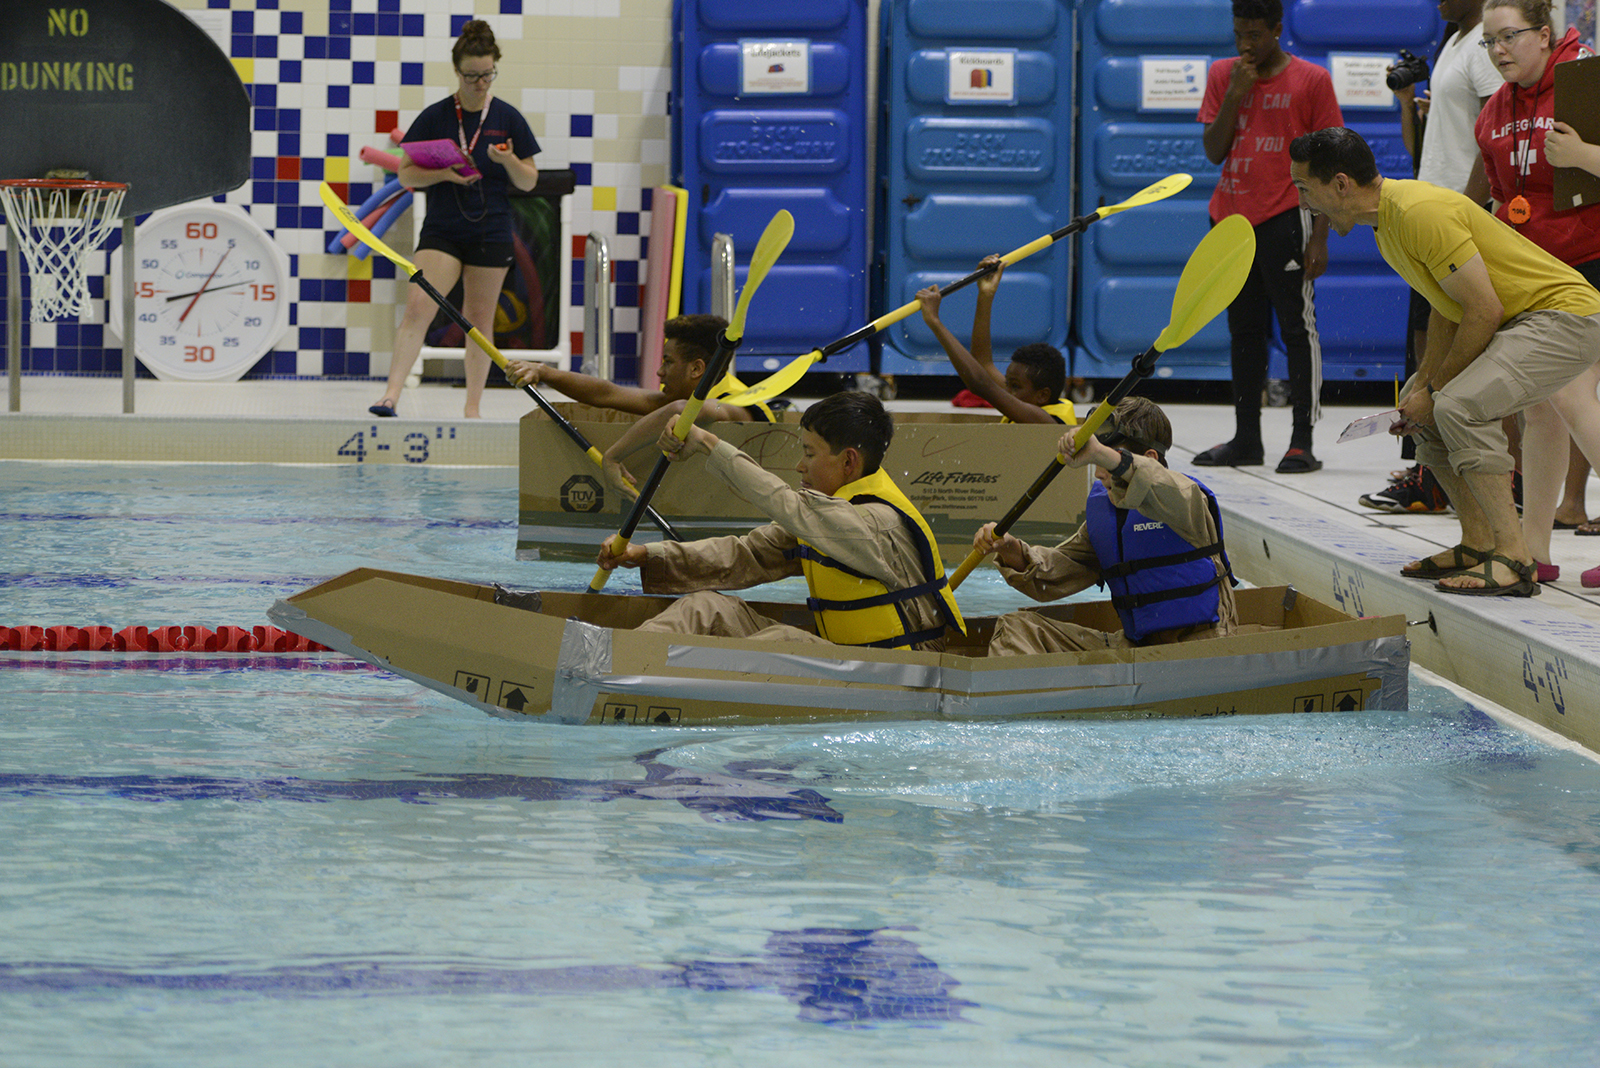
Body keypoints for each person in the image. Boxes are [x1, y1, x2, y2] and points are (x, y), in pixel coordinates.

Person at [1288, 126, 1600, 596]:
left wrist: (1436, 393)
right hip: (1523, 320)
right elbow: (1447, 308)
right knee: (1422, 407)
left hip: (1566, 316)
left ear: (1340, 184)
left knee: (1457, 405)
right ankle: (1477, 543)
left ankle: (1515, 558)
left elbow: (1483, 310)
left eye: (1304, 188)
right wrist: (1424, 385)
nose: (1303, 202)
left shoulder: (1417, 212)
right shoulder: (1387, 227)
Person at [596, 390, 966, 652]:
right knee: (705, 607)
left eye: (809, 453)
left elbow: (786, 505)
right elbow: (747, 555)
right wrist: (645, 554)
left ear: (849, 462)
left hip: (898, 670)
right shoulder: (824, 516)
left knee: (784, 643)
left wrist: (709, 443)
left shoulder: (874, 523)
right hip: (844, 660)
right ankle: (614, 661)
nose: (799, 466)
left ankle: (668, 685)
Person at [1473, 0, 1600, 584]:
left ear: (1544, 34)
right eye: (1489, 41)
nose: (1499, 50)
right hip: (1536, 274)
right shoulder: (1494, 111)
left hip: (1591, 264)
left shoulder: (1587, 79)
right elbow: (1502, 200)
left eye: (1509, 37)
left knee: (1573, 395)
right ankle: (1535, 548)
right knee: (1540, 411)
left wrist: (1586, 158)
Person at [1359, 0, 1502, 514]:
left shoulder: (1487, 42)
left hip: (1455, 220)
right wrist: (1407, 103)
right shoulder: (1454, 40)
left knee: (1448, 348)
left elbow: (1493, 140)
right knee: (1423, 349)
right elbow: (1426, 150)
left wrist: (1467, 212)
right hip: (1436, 210)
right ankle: (1429, 469)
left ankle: (1441, 473)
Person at [1193, 0, 1344, 474]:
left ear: (1278, 30)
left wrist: (1320, 235)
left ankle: (1303, 441)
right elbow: (1214, 151)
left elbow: (1330, 161)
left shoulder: (1311, 80)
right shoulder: (1224, 74)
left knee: (1297, 328)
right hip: (1231, 221)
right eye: (1239, 33)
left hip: (1286, 216)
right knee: (1244, 331)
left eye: (1255, 35)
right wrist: (1236, 94)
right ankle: (1247, 438)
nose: (1246, 44)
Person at [971, 397, 1237, 655]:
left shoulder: (1188, 502)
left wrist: (1104, 454)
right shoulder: (1108, 516)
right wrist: (1009, 548)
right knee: (1015, 629)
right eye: (1095, 461)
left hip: (1202, 650)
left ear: (1150, 457)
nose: (1098, 473)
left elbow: (1159, 483)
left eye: (1105, 460)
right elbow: (1053, 574)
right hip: (1137, 650)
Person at [370, 20, 540, 419]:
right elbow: (406, 173)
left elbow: (529, 181)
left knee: (480, 322)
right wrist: (442, 174)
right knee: (418, 307)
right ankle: (390, 395)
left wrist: (507, 160)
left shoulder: (507, 118)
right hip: (443, 229)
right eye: (471, 76)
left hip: (491, 229)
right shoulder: (436, 116)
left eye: (487, 75)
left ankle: (473, 408)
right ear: (457, 72)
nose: (480, 83)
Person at [506, 314, 775, 493]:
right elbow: (606, 394)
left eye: (668, 362)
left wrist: (612, 457)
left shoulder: (737, 406)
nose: (659, 372)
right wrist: (543, 371)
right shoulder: (683, 398)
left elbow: (684, 411)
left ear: (696, 369)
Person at [915, 256, 1077, 425]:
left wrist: (935, 322)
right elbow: (982, 363)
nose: (1007, 391)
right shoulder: (1035, 400)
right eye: (1008, 384)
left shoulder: (1044, 421)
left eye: (1015, 386)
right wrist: (985, 295)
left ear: (1043, 395)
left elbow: (979, 383)